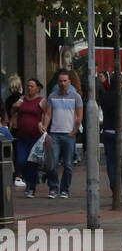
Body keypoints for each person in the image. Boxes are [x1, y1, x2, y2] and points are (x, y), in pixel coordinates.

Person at [41, 70, 82, 199]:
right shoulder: (52, 96)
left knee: (68, 165)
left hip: (68, 134)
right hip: (55, 134)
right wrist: (45, 127)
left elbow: (79, 116)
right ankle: (53, 187)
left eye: (65, 81)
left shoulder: (75, 96)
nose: (62, 83)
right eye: (60, 81)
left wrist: (74, 130)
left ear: (70, 82)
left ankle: (65, 189)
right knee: (51, 163)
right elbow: (48, 114)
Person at [97, 74, 122, 202]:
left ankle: (114, 186)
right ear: (121, 83)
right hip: (121, 131)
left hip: (107, 130)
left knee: (111, 162)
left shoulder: (105, 96)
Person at [12, 79, 45, 194]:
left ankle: (31, 187)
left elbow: (48, 114)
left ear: (37, 88)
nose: (29, 88)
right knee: (21, 161)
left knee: (32, 163)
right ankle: (29, 180)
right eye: (28, 86)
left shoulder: (41, 101)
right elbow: (13, 110)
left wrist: (43, 124)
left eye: (32, 86)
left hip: (35, 137)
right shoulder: (22, 99)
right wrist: (15, 106)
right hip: (22, 136)